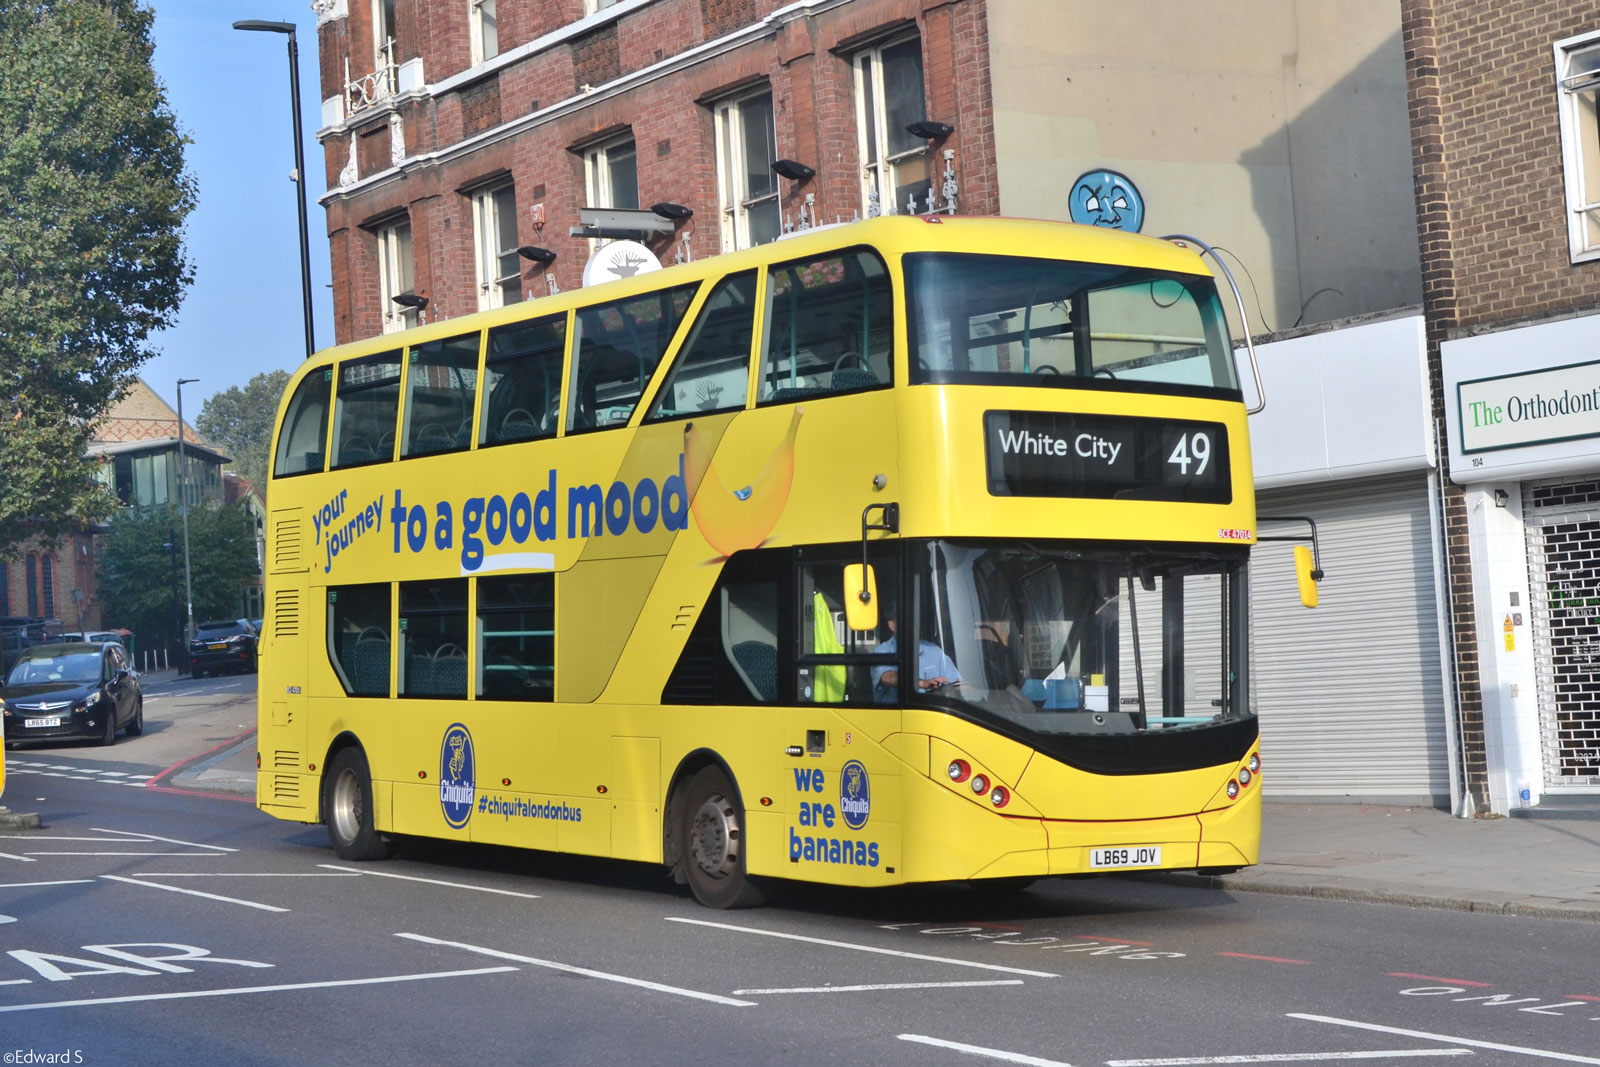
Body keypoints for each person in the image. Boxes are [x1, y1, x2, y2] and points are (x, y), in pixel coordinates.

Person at [872, 610, 960, 702]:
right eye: (907, 621)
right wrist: (921, 683)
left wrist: (973, 689)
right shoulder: (883, 651)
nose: (912, 625)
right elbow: (887, 677)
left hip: (934, 711)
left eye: (915, 621)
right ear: (892, 625)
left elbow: (957, 682)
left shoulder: (933, 650)